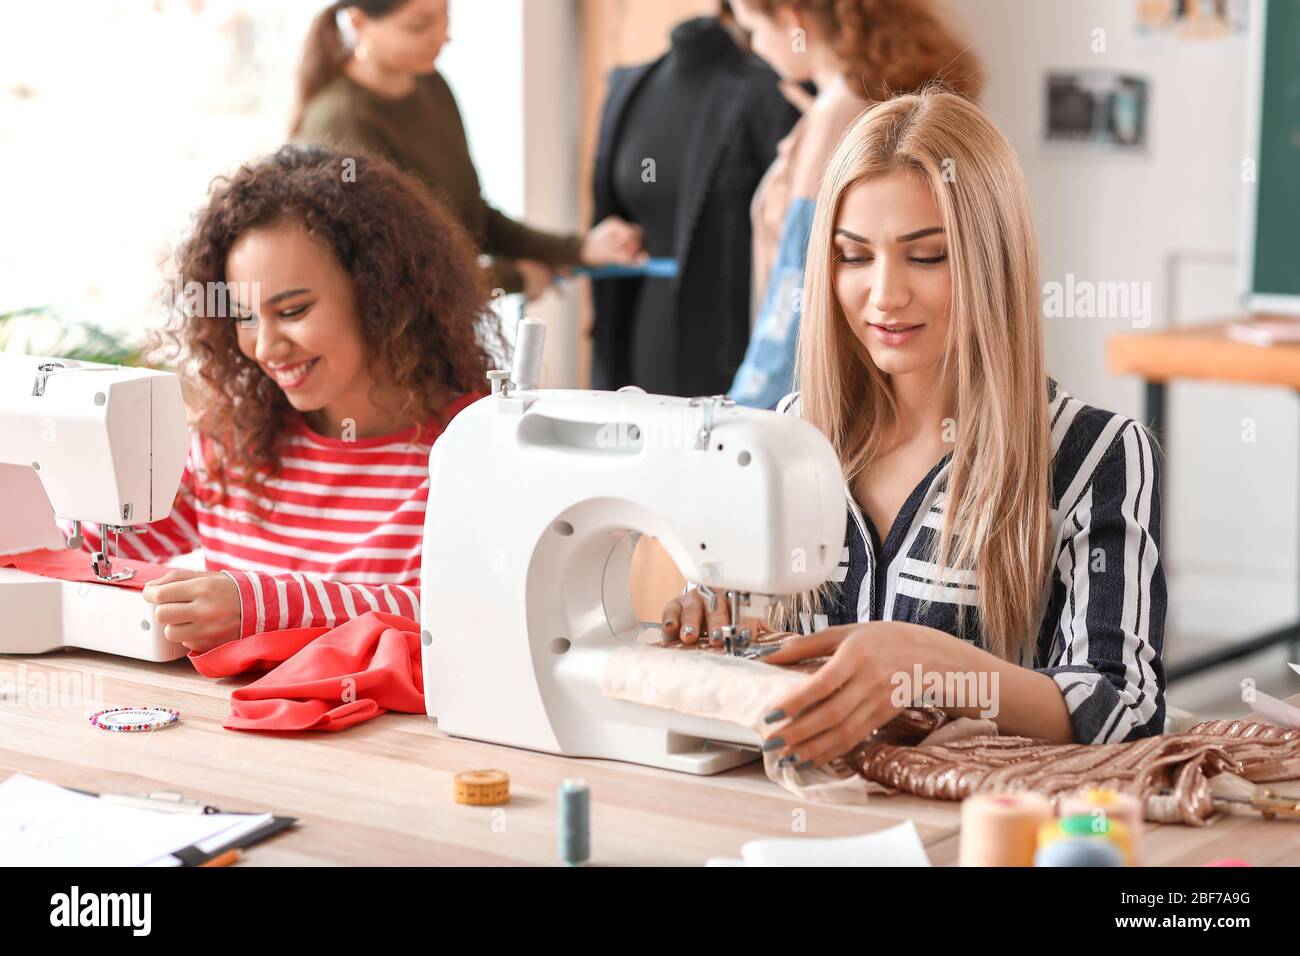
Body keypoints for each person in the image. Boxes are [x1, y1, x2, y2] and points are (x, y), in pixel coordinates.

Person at [660, 91, 1166, 763]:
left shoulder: (1093, 456)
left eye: (926, 256)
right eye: (854, 255)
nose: (885, 294)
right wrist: (711, 616)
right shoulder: (787, 439)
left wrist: (930, 666)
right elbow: (748, 634)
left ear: (992, 261)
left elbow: (1124, 709)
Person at [71, 144, 498, 650]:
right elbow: (91, 553)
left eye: (292, 311)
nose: (266, 347)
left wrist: (260, 607)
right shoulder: (229, 445)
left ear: (380, 295)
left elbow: (468, 614)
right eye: (246, 317)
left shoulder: (474, 452)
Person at [292, 0, 645, 300]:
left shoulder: (431, 85)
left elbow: (470, 218)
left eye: (445, 15)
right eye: (420, 25)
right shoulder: (342, 124)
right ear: (358, 23)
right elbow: (393, 276)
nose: (444, 36)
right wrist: (513, 279)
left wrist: (579, 249)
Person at [727, 0, 983, 409]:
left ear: (791, 19)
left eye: (753, 30)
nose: (756, 47)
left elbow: (795, 291)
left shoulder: (838, 116)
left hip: (826, 396)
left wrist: (748, 411)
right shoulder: (870, 104)